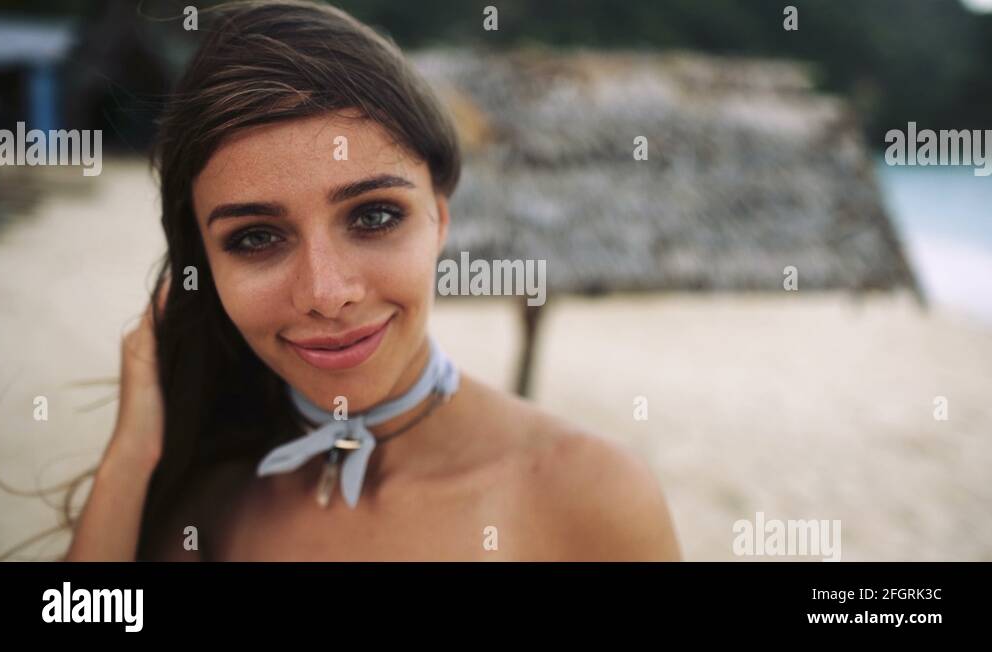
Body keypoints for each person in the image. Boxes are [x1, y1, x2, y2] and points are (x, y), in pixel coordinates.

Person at [62, 0, 681, 561]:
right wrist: (129, 462)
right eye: (255, 238)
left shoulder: (588, 496)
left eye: (374, 216)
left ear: (439, 219)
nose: (327, 293)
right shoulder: (207, 502)